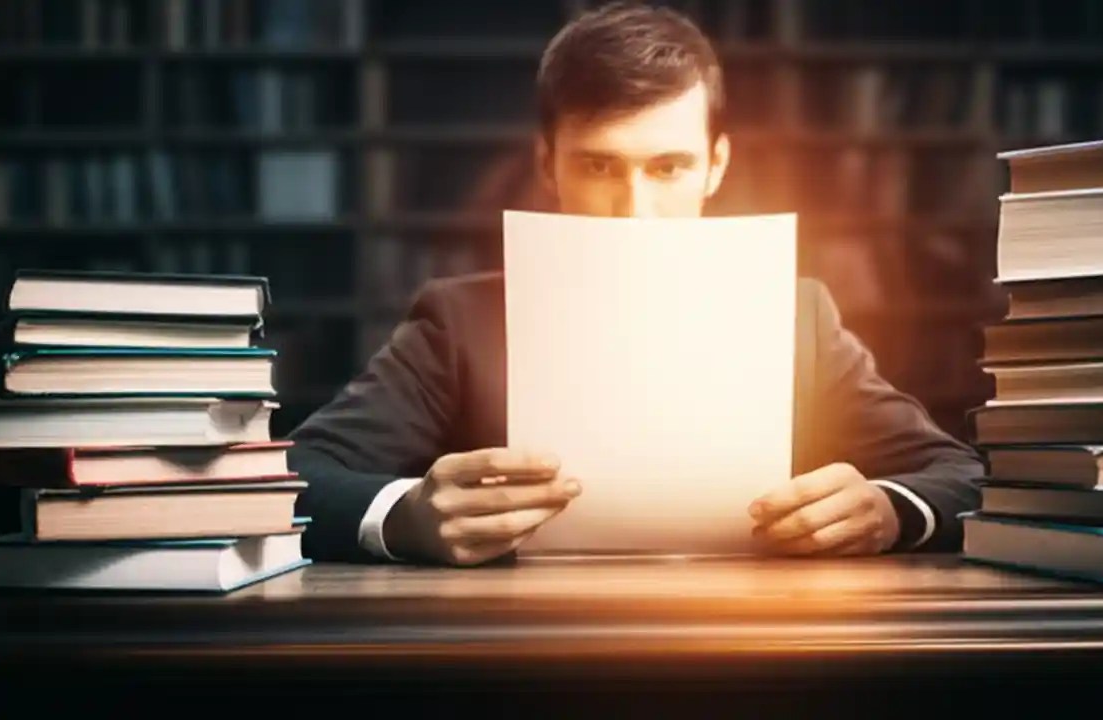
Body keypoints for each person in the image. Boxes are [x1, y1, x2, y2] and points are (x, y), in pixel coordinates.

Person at [288, 1, 983, 566]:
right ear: (547, 165)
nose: (634, 211)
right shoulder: (459, 320)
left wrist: (888, 510)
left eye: (668, 167)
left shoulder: (794, 312)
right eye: (598, 166)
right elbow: (297, 476)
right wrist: (404, 516)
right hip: (521, 642)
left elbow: (960, 476)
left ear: (716, 166)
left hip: (748, 640)